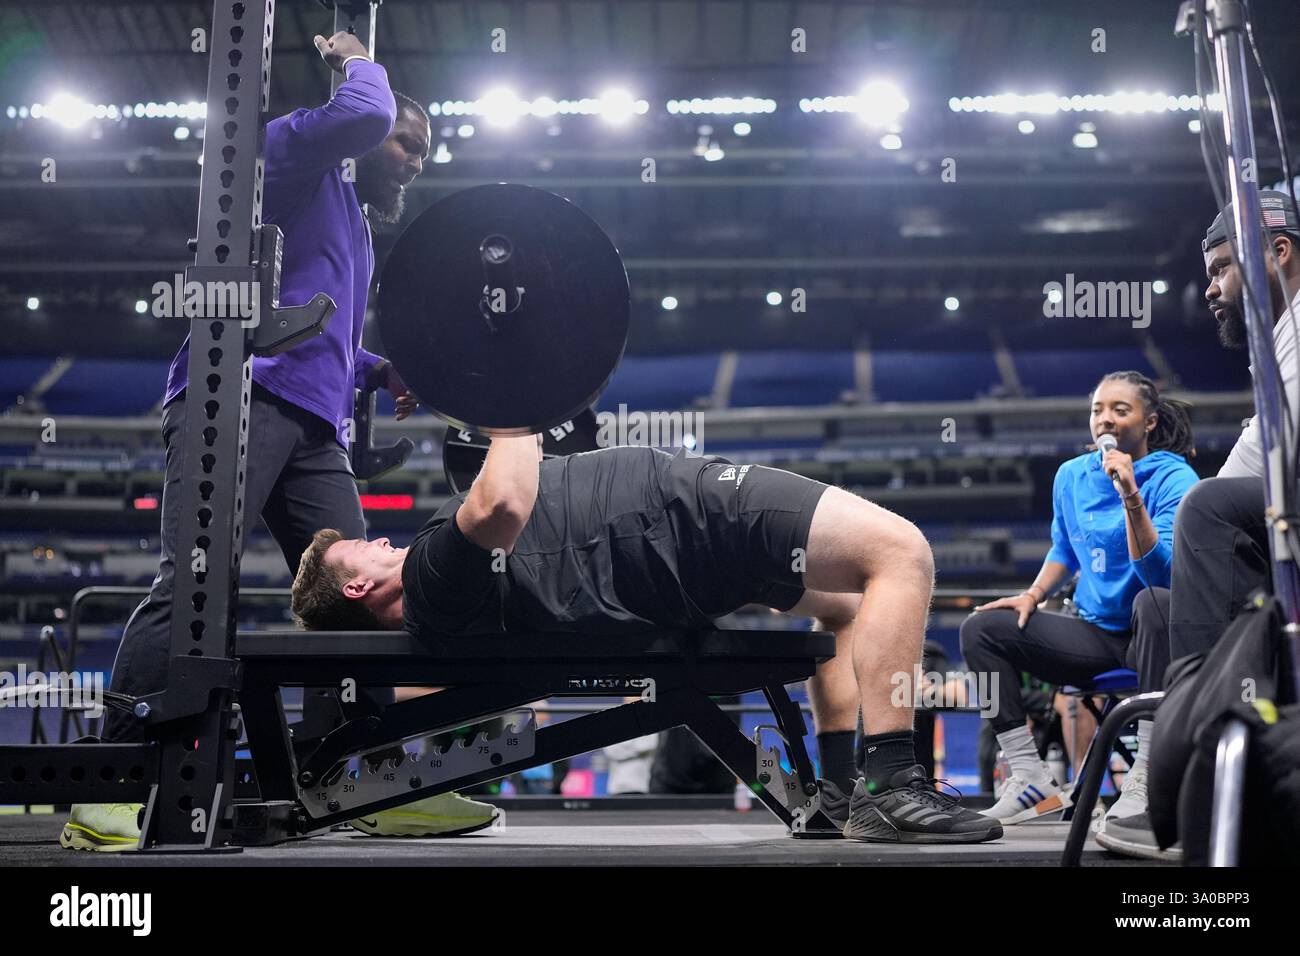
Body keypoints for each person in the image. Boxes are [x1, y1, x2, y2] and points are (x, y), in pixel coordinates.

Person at [59, 31, 497, 852]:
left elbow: (319, 332)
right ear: (368, 133)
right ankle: (111, 789)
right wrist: (359, 59)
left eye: (425, 153)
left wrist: (375, 370)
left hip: (313, 428)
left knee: (361, 601)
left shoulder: (357, 227)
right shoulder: (293, 159)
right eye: (407, 143)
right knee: (197, 582)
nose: (414, 160)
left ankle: (371, 782)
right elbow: (362, 110)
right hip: (237, 396)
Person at [291, 440, 1003, 843]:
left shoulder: (445, 599)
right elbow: (502, 500)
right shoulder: (430, 572)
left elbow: (518, 509)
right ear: (356, 589)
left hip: (666, 550)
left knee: (851, 604)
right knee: (901, 552)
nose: (379, 538)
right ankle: (891, 786)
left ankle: (848, 789)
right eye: (361, 546)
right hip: (679, 518)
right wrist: (515, 395)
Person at [1102, 190, 1300, 860]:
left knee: (1205, 509)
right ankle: (1169, 771)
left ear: (1278, 252)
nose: (1210, 289)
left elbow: (1223, 498)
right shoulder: (1280, 350)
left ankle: (1191, 760)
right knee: (1158, 603)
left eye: (1220, 269)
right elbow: (1240, 482)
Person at [959, 371, 1197, 830]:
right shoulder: (1071, 476)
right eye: (1097, 410)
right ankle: (1031, 779)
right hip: (1093, 636)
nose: (1105, 419)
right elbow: (1063, 550)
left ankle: (1145, 773)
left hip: (1152, 639)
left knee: (1156, 603)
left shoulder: (1173, 476)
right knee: (981, 629)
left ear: (1149, 422)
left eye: (1120, 410)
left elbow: (1158, 574)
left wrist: (1130, 494)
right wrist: (1033, 594)